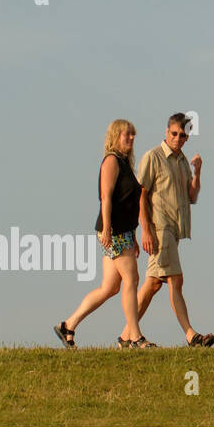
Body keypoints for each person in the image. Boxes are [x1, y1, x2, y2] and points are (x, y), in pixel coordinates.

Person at [55, 119, 157, 348]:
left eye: (133, 135)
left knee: (110, 287)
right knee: (132, 280)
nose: (131, 138)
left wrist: (132, 235)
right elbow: (106, 197)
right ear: (115, 136)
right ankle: (134, 337)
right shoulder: (111, 161)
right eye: (126, 135)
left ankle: (68, 325)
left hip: (124, 232)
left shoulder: (124, 163)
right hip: (114, 231)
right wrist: (108, 230)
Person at [134, 113, 214, 347]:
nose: (178, 139)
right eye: (174, 134)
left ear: (187, 137)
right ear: (167, 131)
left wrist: (197, 172)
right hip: (160, 228)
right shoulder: (153, 157)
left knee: (153, 284)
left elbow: (192, 196)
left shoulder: (182, 162)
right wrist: (146, 229)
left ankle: (126, 335)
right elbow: (142, 194)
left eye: (182, 135)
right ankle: (191, 335)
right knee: (176, 280)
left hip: (175, 229)